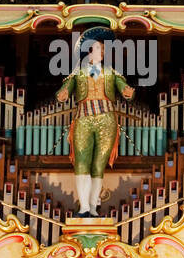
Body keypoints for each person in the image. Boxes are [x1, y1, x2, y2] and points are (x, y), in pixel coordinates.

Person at [55, 27, 134, 216]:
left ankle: (92, 208)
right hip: (83, 119)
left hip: (107, 119)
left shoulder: (111, 73)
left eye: (103, 49)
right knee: (82, 162)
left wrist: (126, 92)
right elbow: (64, 90)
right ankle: (83, 207)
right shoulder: (78, 74)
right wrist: (63, 94)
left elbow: (123, 86)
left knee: (99, 165)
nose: (101, 52)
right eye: (98, 48)